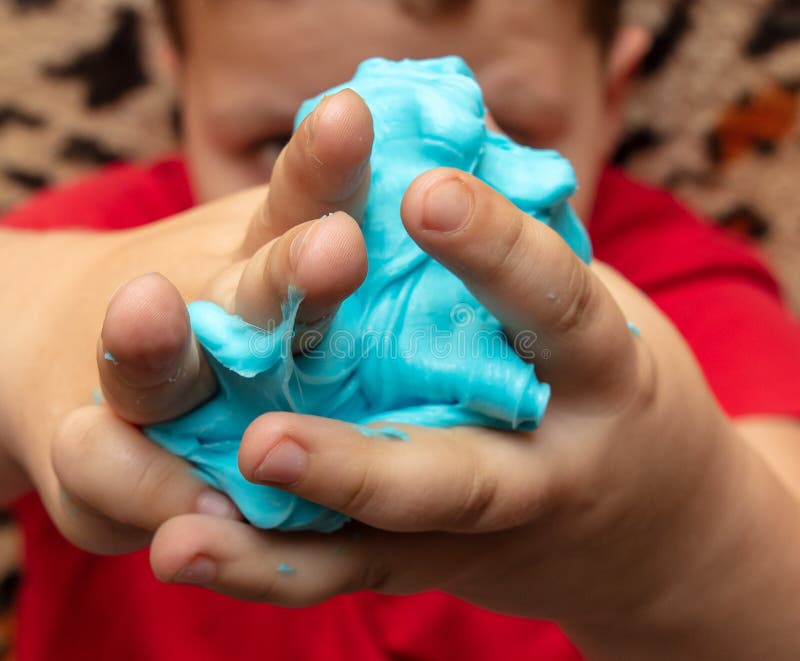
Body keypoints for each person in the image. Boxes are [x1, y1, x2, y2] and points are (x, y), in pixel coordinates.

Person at [1, 0, 800, 659]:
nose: (380, 229)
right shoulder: (117, 236)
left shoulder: (675, 295)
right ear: (183, 90)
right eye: (280, 144)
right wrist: (46, 312)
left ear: (611, 97)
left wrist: (674, 531)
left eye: (503, 130)